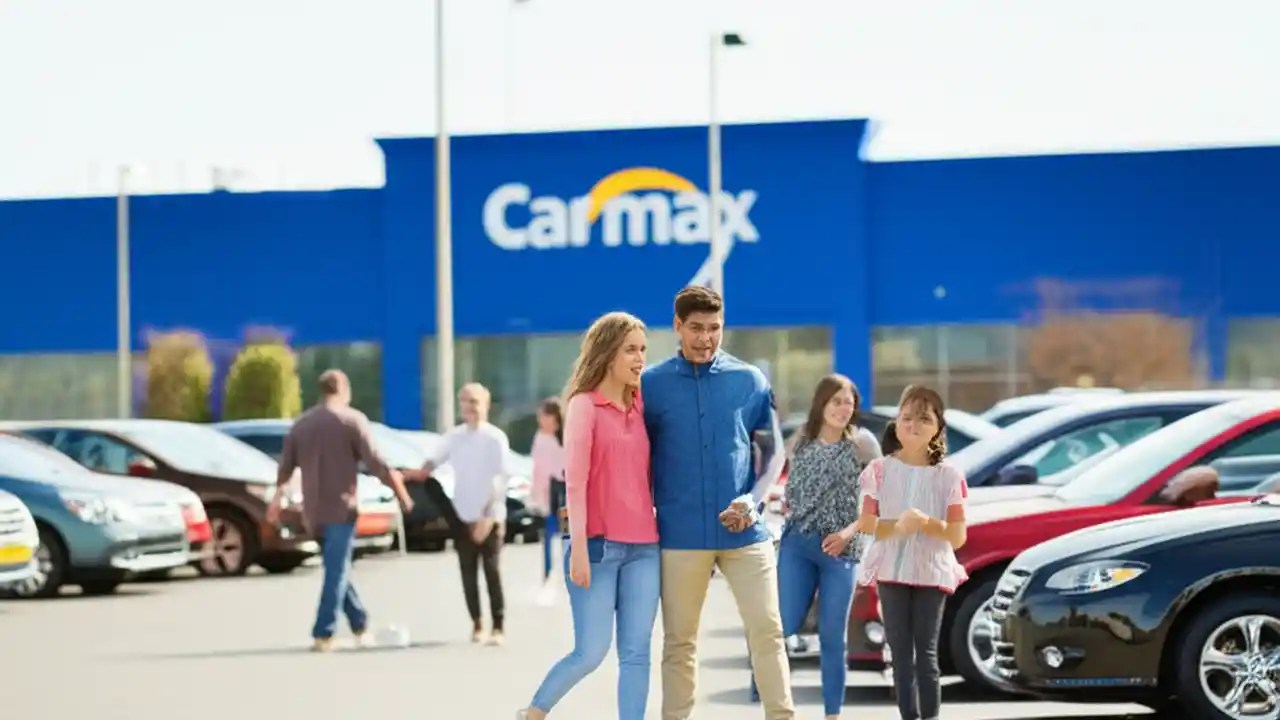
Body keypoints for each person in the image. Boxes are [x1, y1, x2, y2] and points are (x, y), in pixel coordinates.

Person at [642, 286, 795, 720]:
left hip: (745, 531)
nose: (706, 338)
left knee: (768, 631)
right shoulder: (651, 385)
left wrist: (753, 501)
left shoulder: (749, 380)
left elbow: (774, 454)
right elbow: (638, 459)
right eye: (696, 328)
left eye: (714, 328)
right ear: (677, 326)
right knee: (679, 642)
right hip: (680, 534)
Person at [518, 312, 659, 720]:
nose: (639, 359)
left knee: (636, 653)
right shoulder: (583, 405)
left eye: (643, 350)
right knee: (591, 652)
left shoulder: (641, 405)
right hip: (596, 547)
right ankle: (533, 713)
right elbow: (574, 482)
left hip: (645, 548)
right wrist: (577, 547)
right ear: (607, 354)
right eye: (630, 350)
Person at [269, 369, 413, 652]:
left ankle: (360, 622)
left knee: (337, 567)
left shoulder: (301, 425)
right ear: (344, 390)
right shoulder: (351, 420)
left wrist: (276, 502)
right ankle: (323, 632)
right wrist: (402, 494)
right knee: (335, 572)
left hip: (312, 512)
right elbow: (376, 463)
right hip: (341, 510)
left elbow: (284, 470)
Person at [764, 374, 880, 720]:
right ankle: (772, 704)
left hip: (841, 551)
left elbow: (875, 505)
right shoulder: (799, 440)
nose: (843, 409)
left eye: (849, 403)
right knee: (782, 627)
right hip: (798, 545)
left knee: (832, 635)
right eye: (836, 401)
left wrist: (847, 534)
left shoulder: (864, 444)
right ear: (822, 404)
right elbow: (772, 481)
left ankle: (833, 714)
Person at [854, 385, 969, 720]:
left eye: (923, 419)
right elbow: (866, 524)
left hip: (932, 571)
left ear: (938, 428)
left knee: (927, 657)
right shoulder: (879, 470)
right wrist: (899, 526)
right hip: (892, 571)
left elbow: (958, 536)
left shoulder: (949, 476)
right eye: (906, 418)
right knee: (901, 656)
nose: (913, 425)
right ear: (896, 424)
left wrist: (928, 523)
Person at [406, 382, 512, 646]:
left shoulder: (495, 438)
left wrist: (487, 516)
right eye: (465, 402)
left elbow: (501, 478)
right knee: (468, 573)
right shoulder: (454, 437)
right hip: (462, 514)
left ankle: (498, 626)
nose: (469, 407)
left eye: (474, 402)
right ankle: (476, 623)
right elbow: (433, 460)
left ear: (485, 405)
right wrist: (416, 472)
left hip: (490, 516)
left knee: (492, 571)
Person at [530, 397, 567, 583]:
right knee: (548, 533)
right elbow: (537, 470)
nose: (542, 420)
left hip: (565, 491)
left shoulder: (566, 437)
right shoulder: (540, 438)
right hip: (548, 493)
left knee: (567, 534)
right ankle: (548, 572)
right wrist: (536, 495)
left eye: (545, 416)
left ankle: (568, 571)